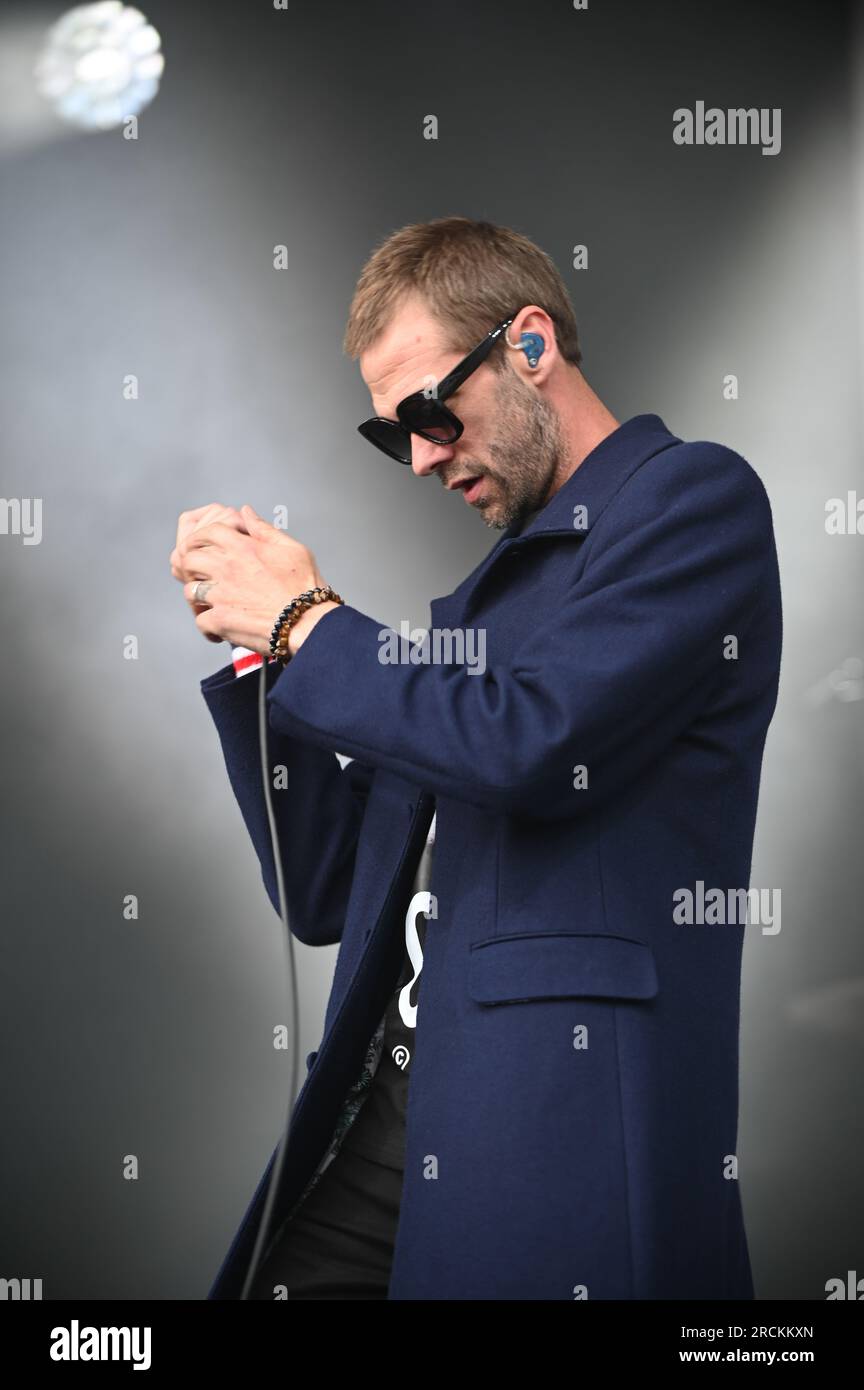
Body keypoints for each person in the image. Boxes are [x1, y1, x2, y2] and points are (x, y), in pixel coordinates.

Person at [170, 216, 782, 1300]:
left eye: (427, 409)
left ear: (531, 344)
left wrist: (309, 619)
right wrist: (261, 655)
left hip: (546, 1121)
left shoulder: (692, 503)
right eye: (389, 433)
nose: (418, 453)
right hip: (386, 1111)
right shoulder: (487, 608)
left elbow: (533, 742)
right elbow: (325, 893)